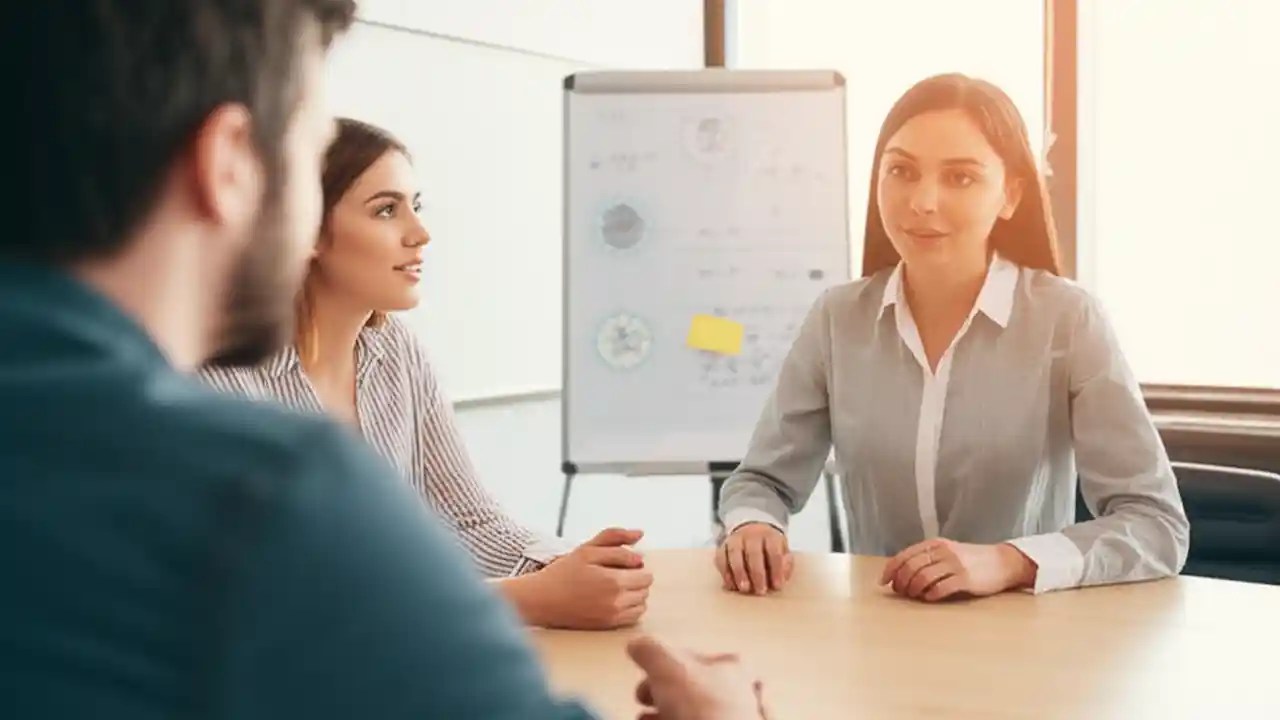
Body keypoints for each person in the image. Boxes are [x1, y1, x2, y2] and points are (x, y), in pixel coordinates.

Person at [0, 2, 767, 718]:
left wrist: (560, 567)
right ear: (231, 164)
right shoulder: (265, 491)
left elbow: (466, 524)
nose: (419, 235)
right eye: (300, 156)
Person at [715, 73, 1189, 602]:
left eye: (959, 178)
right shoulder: (837, 318)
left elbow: (1155, 525)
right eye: (901, 171)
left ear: (1009, 195)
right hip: (879, 637)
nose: (922, 201)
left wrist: (1008, 562)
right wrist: (754, 526)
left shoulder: (1067, 319)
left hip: (1026, 643)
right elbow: (761, 481)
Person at [201, 118, 652, 631]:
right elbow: (283, 591)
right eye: (386, 210)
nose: (420, 233)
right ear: (305, 229)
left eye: (416, 206)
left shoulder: (396, 353)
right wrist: (524, 598)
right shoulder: (222, 384)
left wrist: (571, 568)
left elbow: (469, 522)